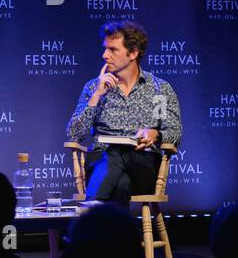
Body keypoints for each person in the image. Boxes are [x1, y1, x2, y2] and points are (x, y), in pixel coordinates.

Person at [66, 20, 182, 205]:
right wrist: (97, 95)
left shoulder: (158, 90)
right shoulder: (94, 88)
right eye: (105, 49)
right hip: (100, 167)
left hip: (142, 164)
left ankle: (93, 204)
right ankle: (118, 231)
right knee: (120, 185)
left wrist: (155, 133)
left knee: (116, 152)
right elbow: (74, 134)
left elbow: (174, 132)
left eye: (113, 50)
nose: (105, 55)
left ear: (133, 53)